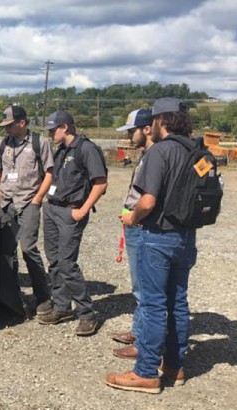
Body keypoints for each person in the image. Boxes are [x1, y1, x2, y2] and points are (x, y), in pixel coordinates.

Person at [106, 98, 197, 393]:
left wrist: (132, 218)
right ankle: (174, 365)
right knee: (178, 303)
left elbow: (147, 201)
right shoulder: (196, 150)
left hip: (157, 235)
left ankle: (145, 372)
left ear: (162, 121)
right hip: (186, 237)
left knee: (153, 304)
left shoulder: (160, 150)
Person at [37, 110, 107, 336]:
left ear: (65, 127)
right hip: (52, 208)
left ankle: (86, 314)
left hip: (71, 211)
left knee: (67, 263)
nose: (50, 134)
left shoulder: (86, 149)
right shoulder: (61, 150)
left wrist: (83, 210)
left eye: (52, 129)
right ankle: (62, 307)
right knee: (54, 260)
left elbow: (100, 183)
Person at [0, 105, 54, 316]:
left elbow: (50, 173)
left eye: (10, 125)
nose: (7, 129)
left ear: (22, 123)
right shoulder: (2, 144)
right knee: (5, 252)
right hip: (5, 202)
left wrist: (37, 199)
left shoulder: (39, 143)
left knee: (28, 249)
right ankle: (11, 297)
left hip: (28, 202)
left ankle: (42, 297)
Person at [109, 108, 154, 360]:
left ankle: (145, 341)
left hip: (141, 224)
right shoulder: (146, 154)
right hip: (134, 223)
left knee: (145, 286)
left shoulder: (155, 156)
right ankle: (139, 330)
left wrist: (133, 217)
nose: (129, 137)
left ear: (147, 129)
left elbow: (150, 199)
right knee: (139, 284)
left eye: (131, 131)